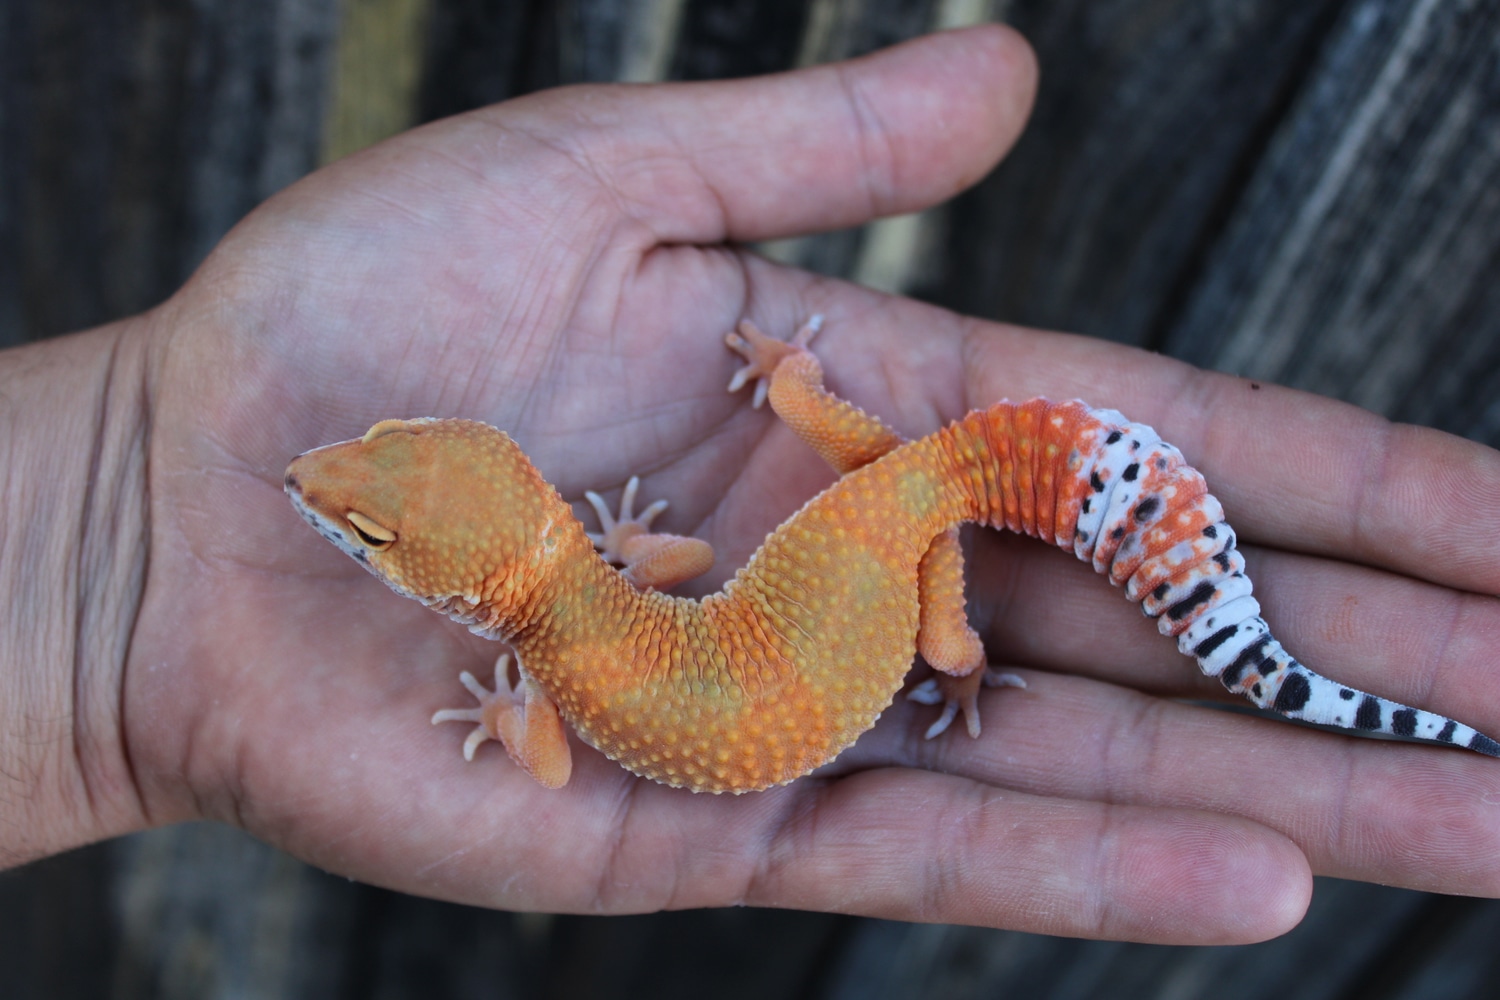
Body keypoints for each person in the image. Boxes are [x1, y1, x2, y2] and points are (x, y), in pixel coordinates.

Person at [3, 25, 1496, 945]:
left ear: (476, 557)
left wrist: (515, 701)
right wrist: (779, 408)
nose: (327, 489)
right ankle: (1186, 642)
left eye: (364, 512)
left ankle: (1206, 655)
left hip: (899, 546)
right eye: (367, 504)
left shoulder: (551, 636)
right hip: (879, 514)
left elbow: (539, 753)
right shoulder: (574, 592)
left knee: (944, 627)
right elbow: (608, 605)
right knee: (929, 580)